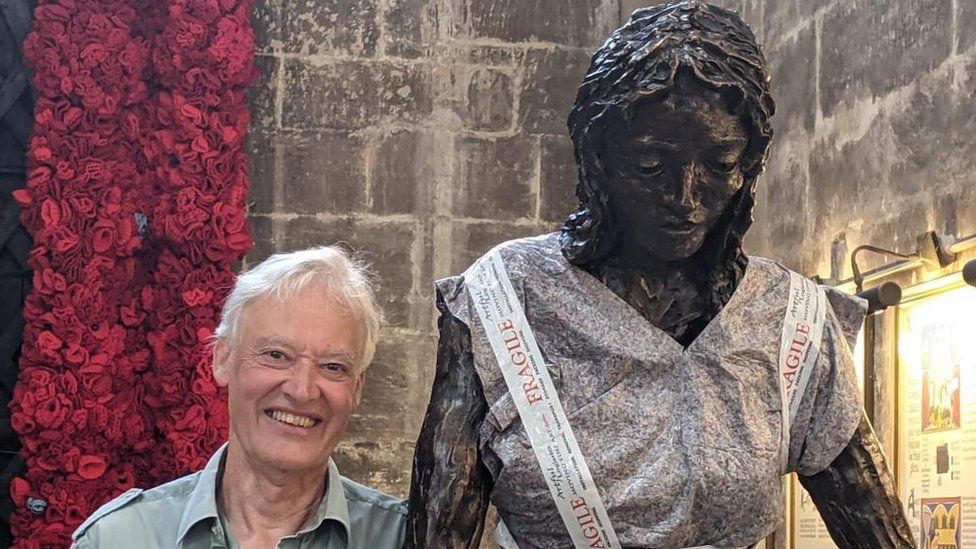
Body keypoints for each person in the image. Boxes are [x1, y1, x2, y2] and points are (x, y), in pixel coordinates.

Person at [407, 2, 913, 548]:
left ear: (750, 162)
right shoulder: (504, 302)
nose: (686, 199)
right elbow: (440, 525)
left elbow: (872, 516)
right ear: (598, 157)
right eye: (651, 166)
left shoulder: (790, 320)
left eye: (720, 165)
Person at [73, 247, 407, 548]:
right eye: (276, 355)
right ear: (223, 360)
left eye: (333, 367)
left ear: (357, 387)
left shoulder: (410, 539)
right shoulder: (119, 539)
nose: (302, 390)